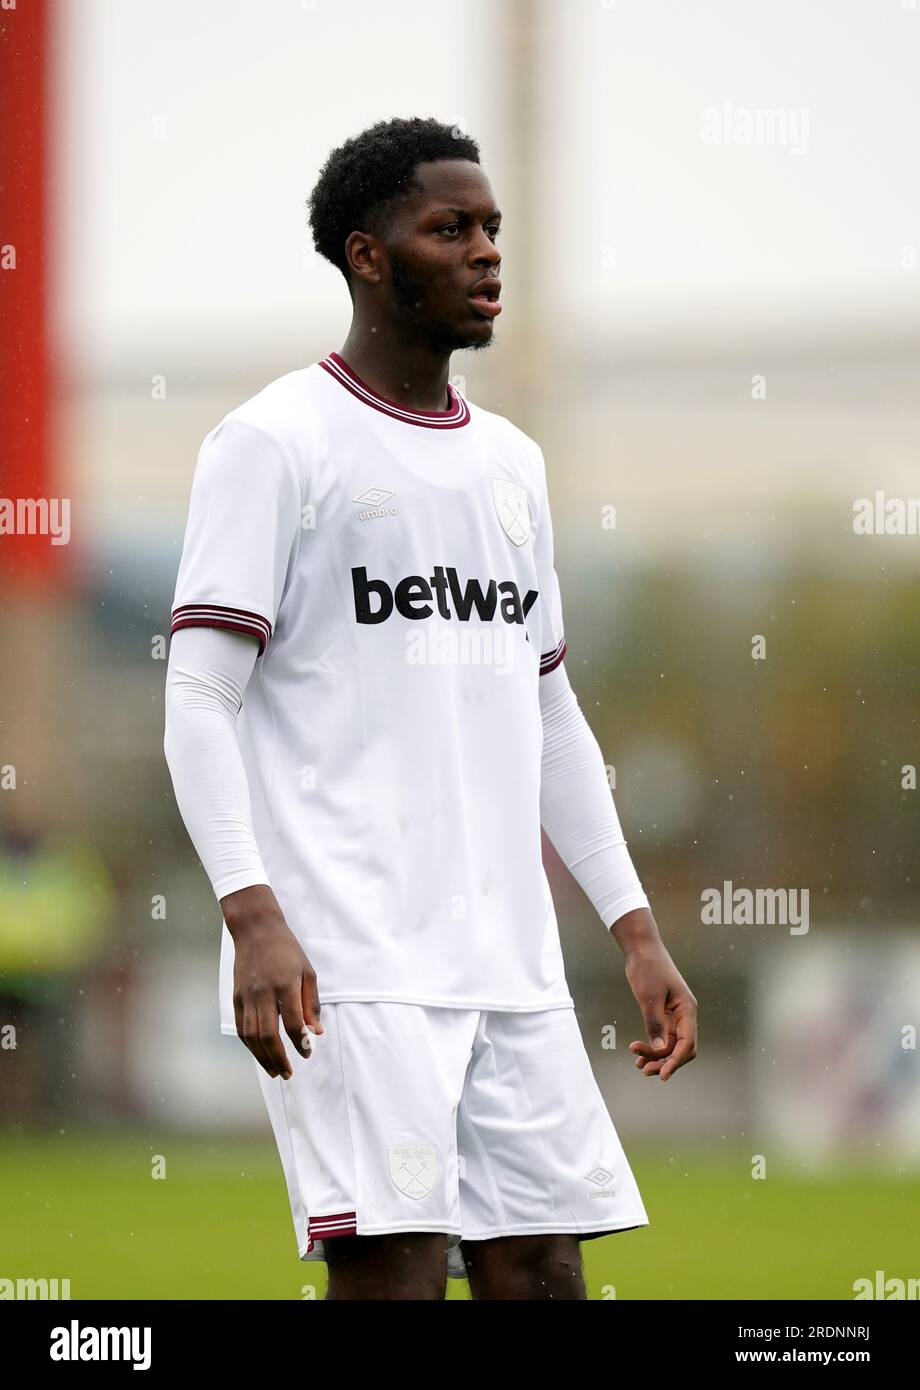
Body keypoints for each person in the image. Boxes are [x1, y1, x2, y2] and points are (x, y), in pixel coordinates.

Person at [163, 115, 697, 1301]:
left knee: (540, 1274)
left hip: (510, 962)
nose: (485, 252)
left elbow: (549, 710)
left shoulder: (511, 465)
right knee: (397, 1274)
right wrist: (251, 914)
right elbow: (198, 696)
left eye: (492, 228)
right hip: (348, 957)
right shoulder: (273, 442)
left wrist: (632, 925)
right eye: (448, 228)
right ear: (367, 254)